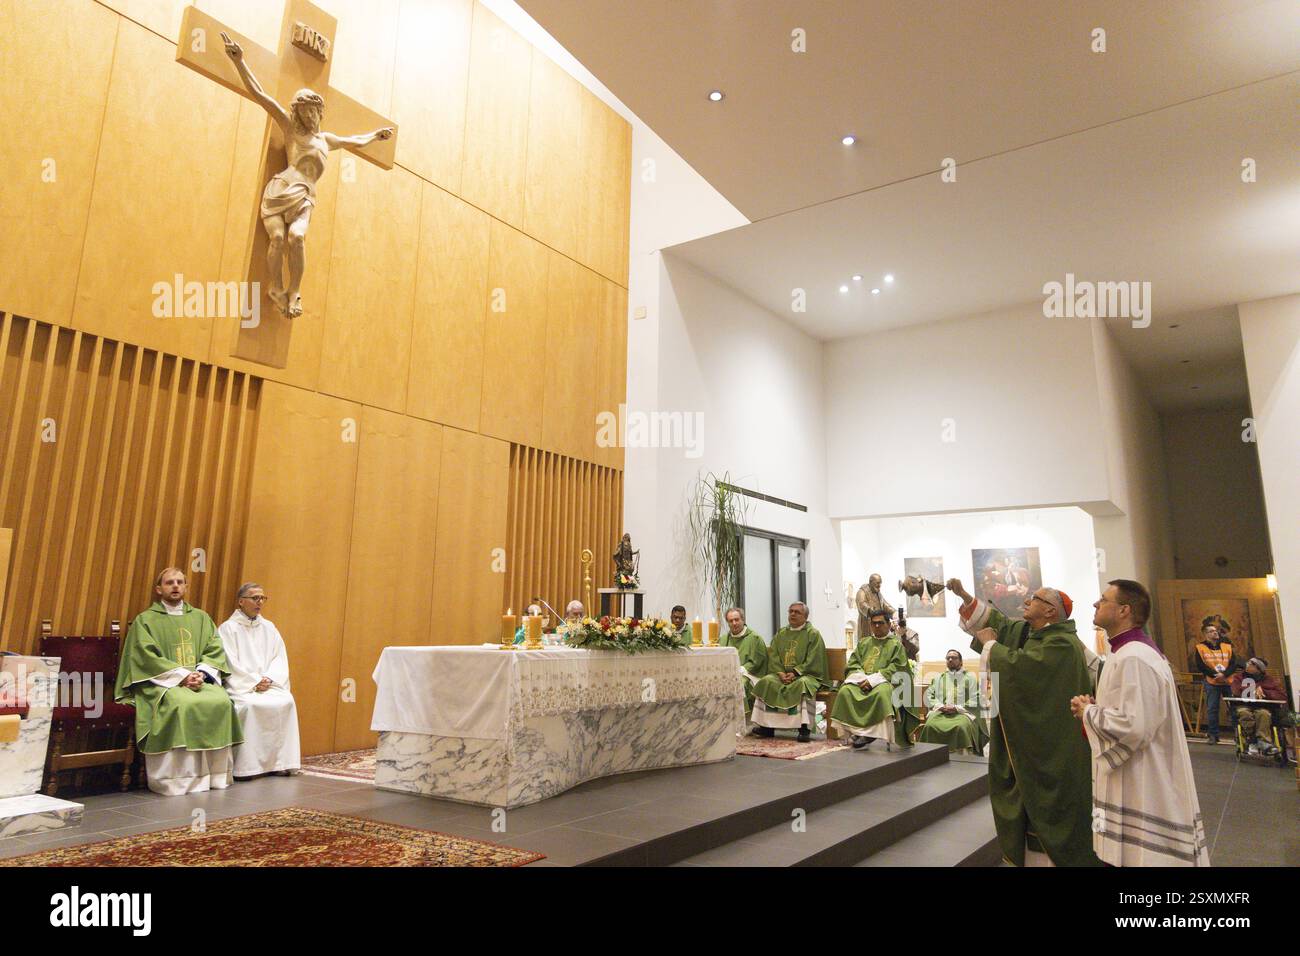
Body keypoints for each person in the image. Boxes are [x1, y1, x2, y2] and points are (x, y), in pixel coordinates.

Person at [222, 32, 393, 317]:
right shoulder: (291, 129)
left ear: (319, 112)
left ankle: (294, 290)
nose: (309, 116)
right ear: (297, 113)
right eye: (304, 111)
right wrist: (239, 62)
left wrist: (376, 135)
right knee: (277, 239)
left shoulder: (327, 140)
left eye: (313, 110)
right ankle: (276, 287)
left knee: (297, 238)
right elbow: (261, 95)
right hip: (280, 190)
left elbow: (356, 141)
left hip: (305, 197)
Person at [948, 576, 1099, 867]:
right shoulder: (1028, 632)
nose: (1027, 601)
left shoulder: (1063, 643)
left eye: (1036, 599)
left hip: (1050, 744)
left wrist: (991, 647)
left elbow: (1023, 669)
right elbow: (998, 624)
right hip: (1031, 739)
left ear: (1051, 611)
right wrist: (965, 596)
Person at [1071, 580, 1209, 866]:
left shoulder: (1135, 656)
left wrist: (1088, 712)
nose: (1096, 604)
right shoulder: (1126, 652)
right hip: (1141, 769)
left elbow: (1134, 726)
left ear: (1124, 610)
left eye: (1103, 599)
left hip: (1147, 777)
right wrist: (1096, 709)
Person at [114, 568, 243, 795]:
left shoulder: (201, 618)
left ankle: (213, 777)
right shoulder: (146, 620)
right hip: (161, 683)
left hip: (198, 679)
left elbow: (214, 649)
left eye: (180, 582)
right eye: (169, 582)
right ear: (158, 589)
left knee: (222, 701)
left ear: (186, 587)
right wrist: (181, 676)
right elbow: (145, 657)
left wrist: (201, 673)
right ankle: (176, 780)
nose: (175, 586)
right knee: (180, 704)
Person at [217, 583, 301, 779]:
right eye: (255, 598)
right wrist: (254, 681)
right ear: (240, 601)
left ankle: (280, 763)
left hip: (268, 684)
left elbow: (279, 658)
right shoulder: (228, 629)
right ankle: (248, 768)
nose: (260, 602)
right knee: (250, 705)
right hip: (243, 687)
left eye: (263, 598)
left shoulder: (269, 627)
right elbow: (229, 661)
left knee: (286, 701)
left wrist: (269, 679)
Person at [830, 608, 916, 749]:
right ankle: (855, 732)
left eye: (880, 623)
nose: (877, 626)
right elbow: (853, 663)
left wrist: (873, 680)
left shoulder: (895, 645)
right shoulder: (864, 643)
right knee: (845, 691)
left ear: (888, 625)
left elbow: (897, 667)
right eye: (873, 623)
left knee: (882, 694)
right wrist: (861, 679)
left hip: (884, 682)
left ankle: (871, 735)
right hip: (861, 680)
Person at [750, 602, 828, 743]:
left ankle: (804, 728)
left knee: (803, 685)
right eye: (790, 611)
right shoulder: (781, 633)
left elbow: (814, 659)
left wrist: (796, 672)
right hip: (782, 675)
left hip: (806, 674)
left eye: (797, 612)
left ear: (805, 616)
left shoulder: (813, 634)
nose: (792, 614)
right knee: (766, 682)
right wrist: (780, 673)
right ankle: (767, 727)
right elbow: (773, 655)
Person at [918, 650, 988, 755]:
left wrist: (956, 708)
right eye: (948, 658)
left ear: (961, 662)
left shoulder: (970, 677)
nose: (950, 659)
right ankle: (932, 757)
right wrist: (940, 706)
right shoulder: (938, 678)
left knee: (960, 727)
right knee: (929, 726)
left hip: (962, 713)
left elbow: (976, 698)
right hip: (940, 712)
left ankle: (962, 758)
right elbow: (929, 695)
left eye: (954, 657)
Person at [1230, 657, 1288, 755]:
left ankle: (1264, 742)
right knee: (1244, 713)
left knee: (1263, 714)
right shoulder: (1239, 677)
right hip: (1244, 705)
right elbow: (1235, 691)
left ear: (1258, 668)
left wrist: (1264, 692)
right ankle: (1252, 740)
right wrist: (1254, 690)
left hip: (1263, 706)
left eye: (1251, 663)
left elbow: (1282, 695)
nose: (1247, 664)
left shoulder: (1269, 679)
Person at [1195, 620, 1238, 744]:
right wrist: (1215, 675)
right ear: (1206, 634)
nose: (1215, 633)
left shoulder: (1227, 646)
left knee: (1233, 708)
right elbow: (1200, 665)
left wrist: (1224, 674)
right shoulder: (1200, 647)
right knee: (1212, 708)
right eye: (1211, 631)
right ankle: (1213, 735)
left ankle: (1238, 734)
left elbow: (1233, 663)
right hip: (1212, 681)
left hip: (1228, 681)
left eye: (1215, 631)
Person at [721, 608, 768, 715]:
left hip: (751, 675)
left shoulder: (754, 638)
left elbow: (757, 662)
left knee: (739, 683)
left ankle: (742, 719)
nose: (734, 623)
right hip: (729, 673)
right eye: (730, 621)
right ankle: (723, 719)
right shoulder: (723, 639)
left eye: (737, 620)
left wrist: (741, 669)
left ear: (743, 620)